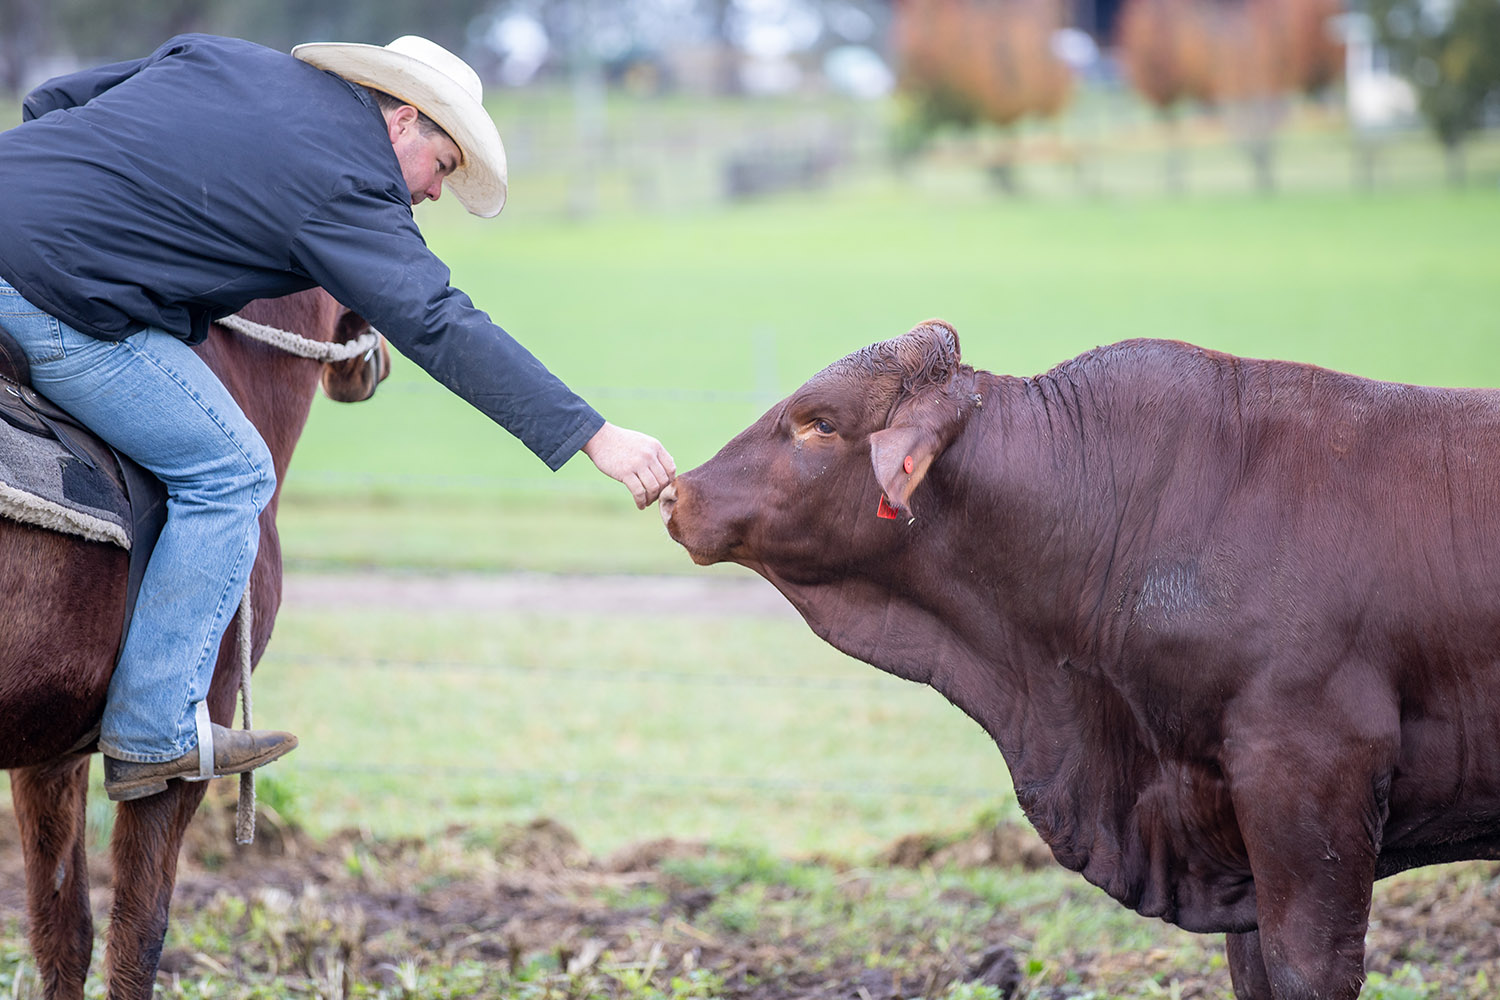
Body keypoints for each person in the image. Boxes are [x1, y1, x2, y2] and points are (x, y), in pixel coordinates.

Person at [0, 34, 676, 801]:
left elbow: (50, 106)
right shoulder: (349, 182)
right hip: (44, 299)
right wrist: (595, 436)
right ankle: (153, 729)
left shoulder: (217, 57)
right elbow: (437, 322)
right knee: (232, 471)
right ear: (402, 122)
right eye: (444, 167)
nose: (432, 195)